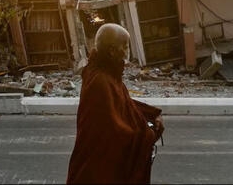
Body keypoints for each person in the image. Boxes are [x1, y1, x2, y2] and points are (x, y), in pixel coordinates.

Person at [66, 23, 165, 184]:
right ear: (112, 51)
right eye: (125, 47)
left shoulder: (105, 73)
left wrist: (152, 114)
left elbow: (122, 102)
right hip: (97, 169)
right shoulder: (100, 82)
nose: (127, 54)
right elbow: (117, 131)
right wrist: (148, 134)